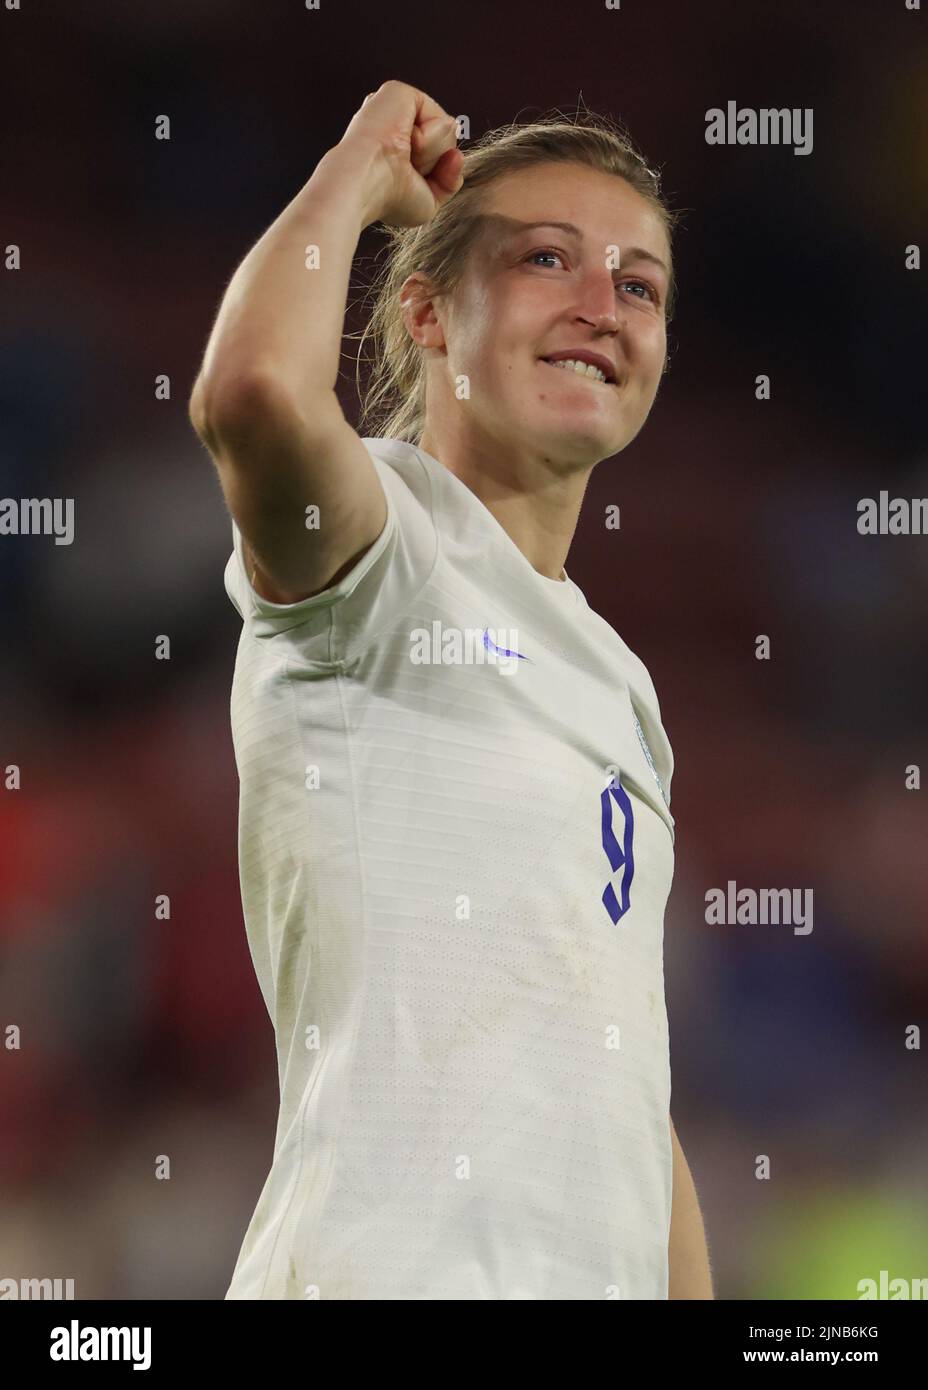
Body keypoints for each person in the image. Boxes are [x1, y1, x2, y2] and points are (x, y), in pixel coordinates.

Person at [189, 80, 712, 1300]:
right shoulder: (383, 548)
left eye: (639, 284)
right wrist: (359, 165)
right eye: (548, 260)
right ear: (424, 311)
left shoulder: (620, 684)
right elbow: (253, 390)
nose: (604, 307)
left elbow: (623, 1075)